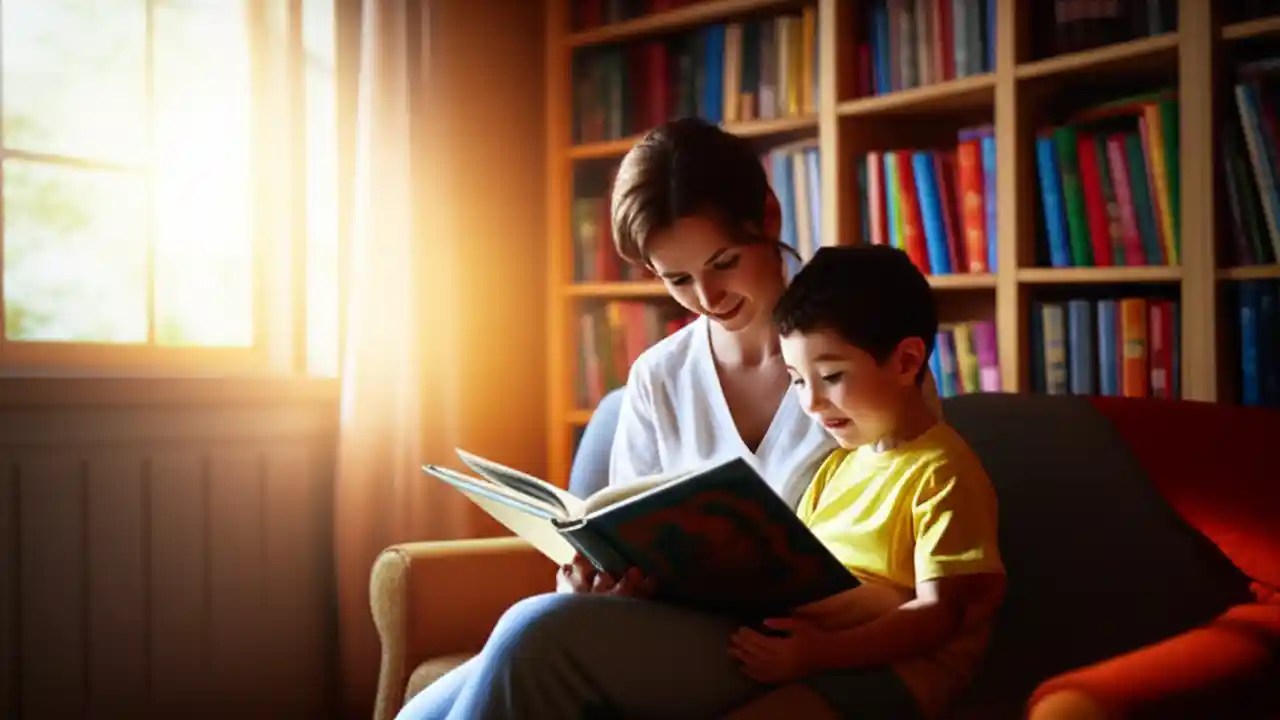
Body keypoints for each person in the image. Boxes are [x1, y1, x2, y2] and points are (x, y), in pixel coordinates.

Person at [397, 245, 1006, 720]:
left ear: (905, 362)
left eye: (832, 376)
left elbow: (940, 615)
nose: (813, 404)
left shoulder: (943, 472)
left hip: (873, 666)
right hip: (799, 644)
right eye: (796, 381)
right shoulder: (842, 464)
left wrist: (819, 655)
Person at [563, 116, 941, 596]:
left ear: (769, 217)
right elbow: (627, 549)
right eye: (677, 280)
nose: (708, 297)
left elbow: (921, 549)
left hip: (824, 644)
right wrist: (598, 582)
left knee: (532, 636)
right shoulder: (657, 378)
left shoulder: (874, 348)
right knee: (542, 622)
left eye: (724, 263)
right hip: (678, 632)